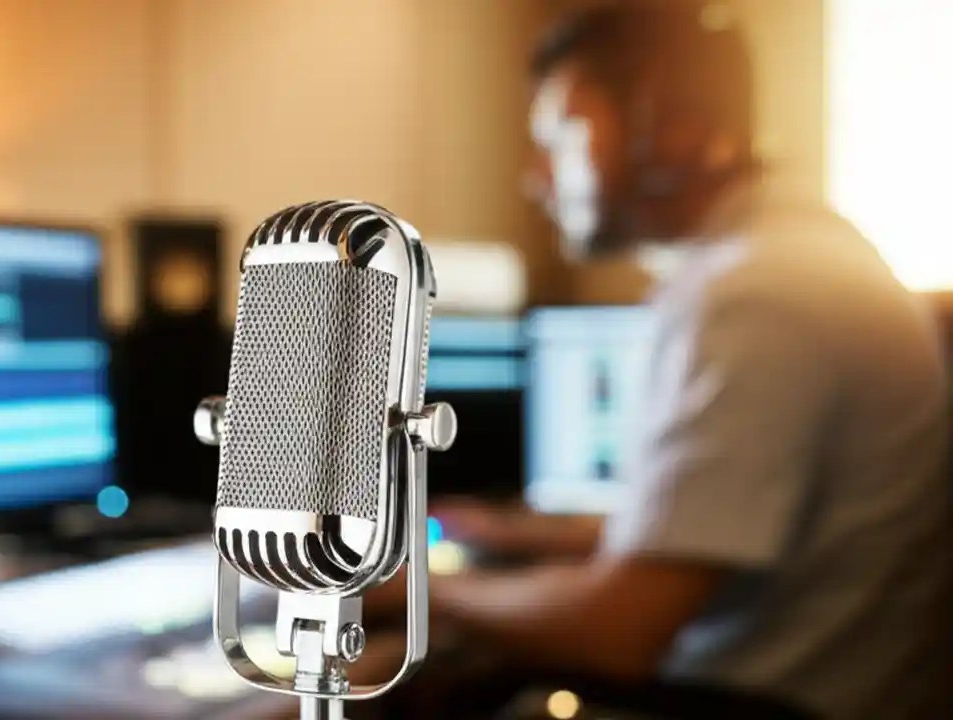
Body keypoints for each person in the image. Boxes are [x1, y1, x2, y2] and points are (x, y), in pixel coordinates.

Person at [368, 3, 950, 719]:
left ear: (670, 133)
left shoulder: (756, 296)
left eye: (562, 136)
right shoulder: (806, 254)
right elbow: (718, 538)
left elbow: (617, 631)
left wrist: (416, 586)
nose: (536, 177)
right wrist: (522, 536)